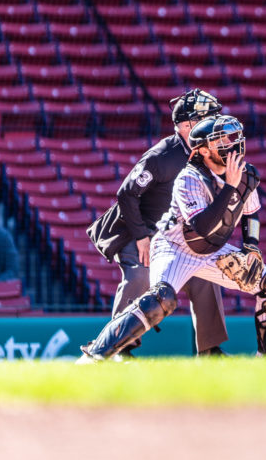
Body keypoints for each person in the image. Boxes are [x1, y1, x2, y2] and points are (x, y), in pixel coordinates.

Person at [78, 115, 266, 362]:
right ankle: (95, 356)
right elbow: (202, 226)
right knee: (161, 300)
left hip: (211, 249)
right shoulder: (188, 178)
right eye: (219, 140)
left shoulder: (243, 174)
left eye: (229, 138)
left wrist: (251, 247)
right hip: (175, 246)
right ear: (201, 150)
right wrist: (230, 186)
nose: (229, 144)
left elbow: (251, 212)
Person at [86, 89, 229, 356]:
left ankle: (210, 350)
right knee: (139, 276)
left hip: (175, 234)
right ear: (187, 126)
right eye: (207, 117)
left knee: (203, 278)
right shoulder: (162, 155)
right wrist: (142, 237)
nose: (214, 123)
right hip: (137, 229)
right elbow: (127, 194)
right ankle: (116, 348)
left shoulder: (208, 152)